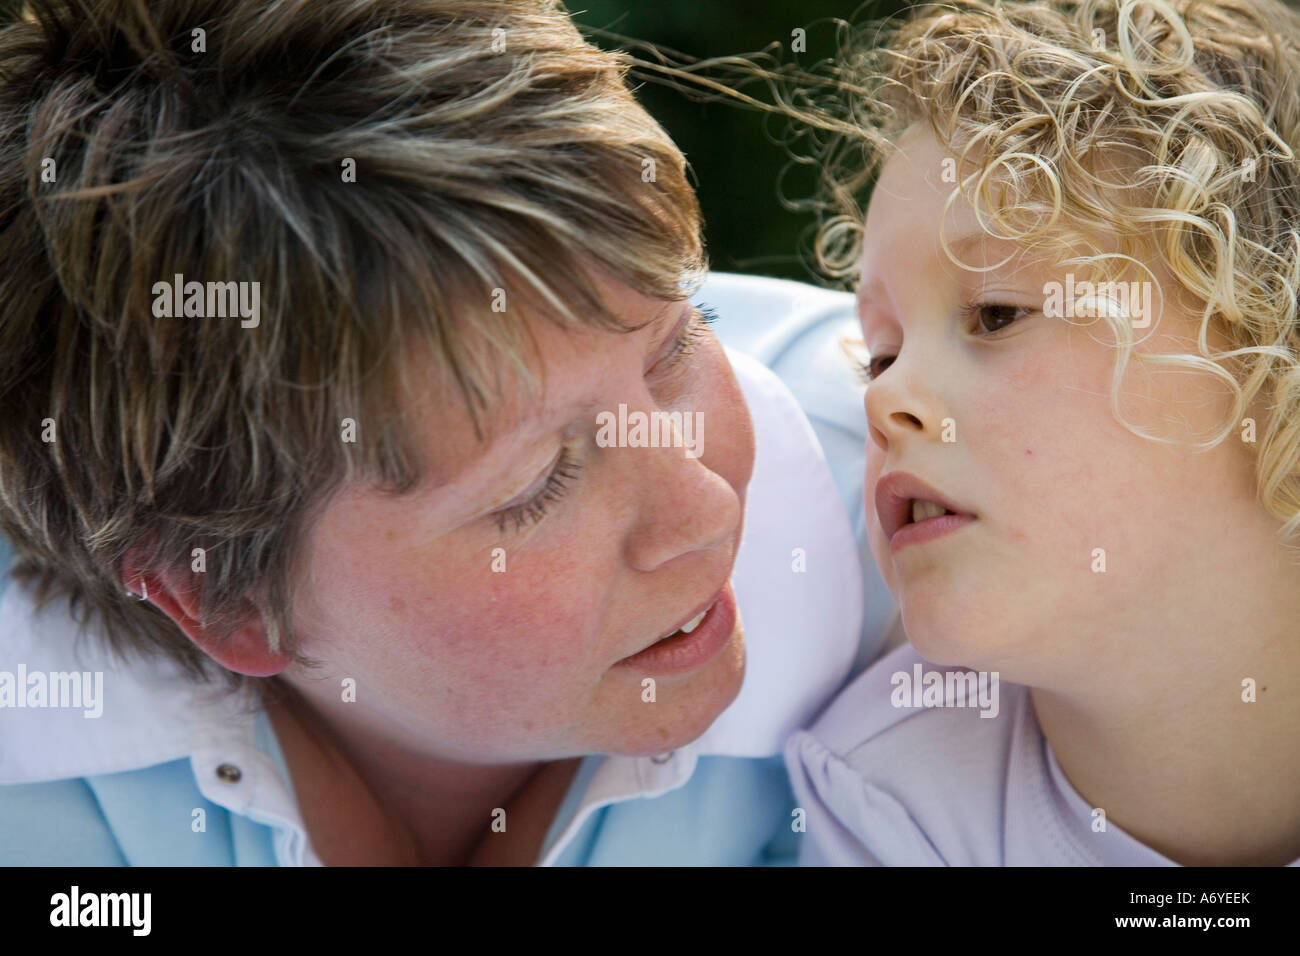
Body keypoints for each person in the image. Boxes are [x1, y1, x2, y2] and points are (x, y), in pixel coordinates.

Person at [0, 0, 883, 865]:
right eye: (536, 485)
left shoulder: (936, 521)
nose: (704, 510)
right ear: (226, 603)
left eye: (678, 344)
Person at [784, 0, 1300, 866]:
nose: (887, 400)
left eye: (996, 312)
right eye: (879, 356)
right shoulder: (891, 794)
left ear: (1271, 350)